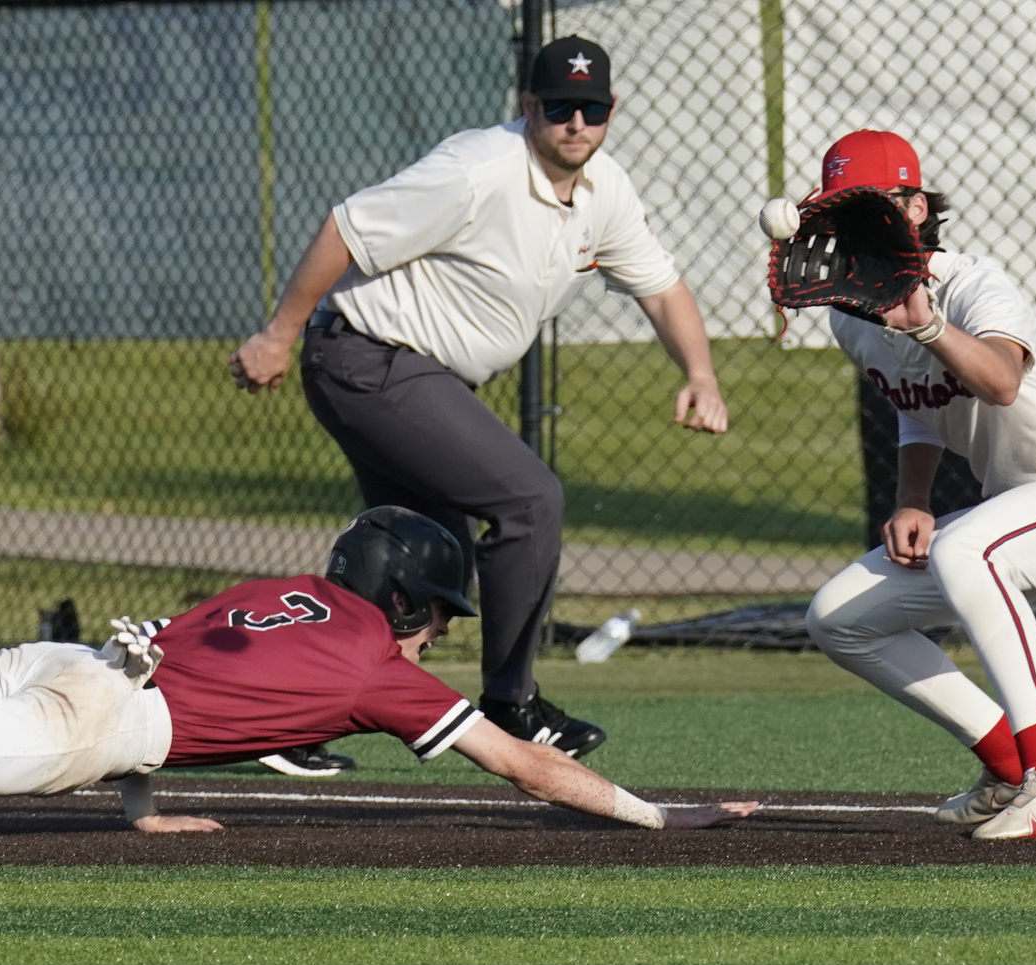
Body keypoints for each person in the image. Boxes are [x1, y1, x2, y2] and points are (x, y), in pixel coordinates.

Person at [227, 35, 728, 760]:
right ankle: (512, 703)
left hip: (410, 374)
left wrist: (701, 374)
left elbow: (662, 288)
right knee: (530, 501)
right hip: (367, 359)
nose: (576, 124)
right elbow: (347, 227)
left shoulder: (604, 189)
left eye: (591, 109)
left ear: (612, 110)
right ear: (529, 106)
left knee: (422, 564)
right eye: (560, 107)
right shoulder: (478, 169)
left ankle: (288, 719)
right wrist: (278, 333)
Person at [0, 507, 756, 833]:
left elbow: (150, 668)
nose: (441, 633)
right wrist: (659, 816)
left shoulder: (280, 592)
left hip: (55, 666)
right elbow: (527, 765)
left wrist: (140, 805)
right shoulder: (377, 671)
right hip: (85, 722)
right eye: (441, 612)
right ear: (406, 598)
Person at [802, 131, 1036, 840]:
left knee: (968, 548)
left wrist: (931, 324)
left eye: (869, 206)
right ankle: (1007, 769)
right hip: (1021, 512)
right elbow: (920, 410)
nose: (850, 225)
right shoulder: (854, 322)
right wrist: (912, 499)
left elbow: (999, 381)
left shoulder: (972, 284)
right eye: (838, 211)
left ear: (912, 208)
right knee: (838, 615)